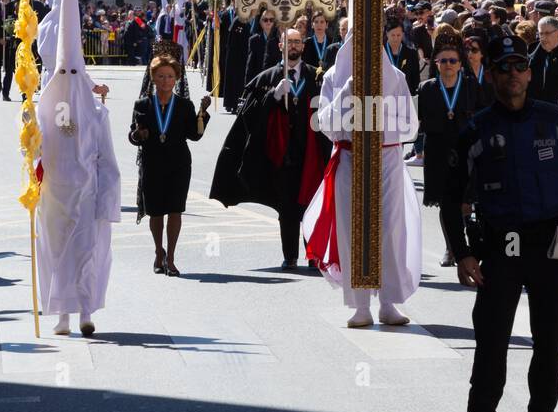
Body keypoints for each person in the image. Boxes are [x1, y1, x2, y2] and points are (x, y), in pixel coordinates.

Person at [441, 33, 558, 412]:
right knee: (492, 339)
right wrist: (463, 252)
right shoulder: (475, 130)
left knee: (550, 339)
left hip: (551, 244)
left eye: (519, 65)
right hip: (499, 246)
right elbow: (450, 199)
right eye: (503, 67)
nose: (512, 74)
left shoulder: (556, 121)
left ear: (529, 73)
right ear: (490, 74)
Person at [304, 18, 421, 326]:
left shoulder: (394, 77)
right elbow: (324, 124)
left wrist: (377, 111)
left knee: (390, 230)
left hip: (386, 161)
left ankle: (388, 302)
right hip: (350, 160)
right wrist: (348, 91)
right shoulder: (333, 76)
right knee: (351, 229)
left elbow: (410, 124)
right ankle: (360, 306)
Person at [36, 0, 120, 337]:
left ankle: (86, 310)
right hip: (54, 194)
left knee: (86, 253)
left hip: (85, 194)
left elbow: (108, 159)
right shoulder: (42, 107)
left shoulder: (96, 111)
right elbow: (34, 149)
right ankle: (62, 314)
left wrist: (108, 198)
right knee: (56, 254)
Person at [212, 28, 330, 269]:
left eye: (297, 42)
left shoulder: (316, 77)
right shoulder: (265, 78)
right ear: (280, 46)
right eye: (289, 42)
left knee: (310, 205)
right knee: (287, 208)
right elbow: (248, 117)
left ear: (303, 46)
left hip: (310, 154)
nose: (293, 46)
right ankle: (290, 256)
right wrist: (273, 97)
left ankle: (313, 255)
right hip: (281, 155)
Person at [130, 56, 211, 277]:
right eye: (161, 76)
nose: (166, 81)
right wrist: (139, 134)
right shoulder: (143, 105)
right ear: (153, 78)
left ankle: (172, 258)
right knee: (155, 212)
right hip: (152, 163)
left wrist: (202, 114)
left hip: (178, 164)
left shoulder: (185, 105)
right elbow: (133, 135)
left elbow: (195, 135)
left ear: (176, 80)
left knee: (176, 210)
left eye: (170, 77)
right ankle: (159, 251)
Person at [417, 28, 482, 266]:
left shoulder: (470, 86)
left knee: (466, 203)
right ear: (436, 63)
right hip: (438, 152)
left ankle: (469, 246)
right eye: (443, 60)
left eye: (452, 60)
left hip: (466, 151)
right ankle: (451, 248)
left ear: (459, 63)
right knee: (447, 203)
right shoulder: (427, 88)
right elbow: (421, 118)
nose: (448, 64)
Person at [384, 17, 421, 95]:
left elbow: (415, 80)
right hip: (385, 97)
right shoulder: (380, 53)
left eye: (398, 35)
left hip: (406, 96)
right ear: (387, 34)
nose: (396, 38)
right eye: (393, 35)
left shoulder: (411, 53)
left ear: (403, 34)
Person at [245, 7, 281, 84]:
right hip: (258, 80)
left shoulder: (279, 40)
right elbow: (250, 65)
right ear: (261, 23)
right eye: (265, 20)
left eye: (271, 20)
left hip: (274, 80)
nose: (268, 22)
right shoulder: (254, 40)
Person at [302, 9, 334, 84]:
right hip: (310, 80)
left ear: (327, 25)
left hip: (328, 80)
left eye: (322, 22)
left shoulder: (332, 42)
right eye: (316, 22)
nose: (319, 25)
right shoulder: (306, 43)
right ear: (312, 25)